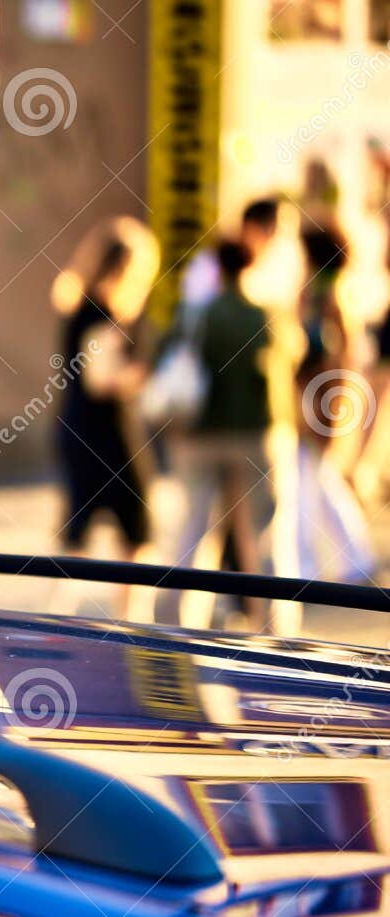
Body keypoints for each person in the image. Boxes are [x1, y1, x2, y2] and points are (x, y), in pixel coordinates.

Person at [51, 218, 161, 617]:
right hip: (108, 433)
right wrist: (144, 375)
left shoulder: (79, 306)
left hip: (79, 428)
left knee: (81, 525)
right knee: (136, 526)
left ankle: (56, 618)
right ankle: (132, 619)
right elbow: (101, 380)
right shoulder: (101, 313)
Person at [168, 240, 273, 627]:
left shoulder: (194, 316)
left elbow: (163, 359)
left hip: (197, 435)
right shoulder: (261, 315)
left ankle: (178, 623)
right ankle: (271, 626)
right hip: (250, 435)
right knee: (257, 537)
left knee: (195, 530)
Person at [285, 222, 376, 584]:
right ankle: (354, 556)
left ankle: (315, 563)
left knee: (309, 481)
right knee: (316, 479)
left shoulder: (326, 294)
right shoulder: (326, 290)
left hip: (318, 397)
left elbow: (345, 353)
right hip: (317, 396)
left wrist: (336, 404)